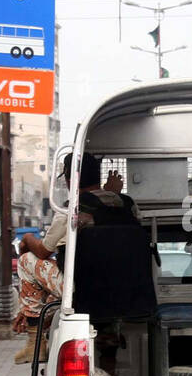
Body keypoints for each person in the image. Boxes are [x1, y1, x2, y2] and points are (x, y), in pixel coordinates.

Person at [12, 153, 139, 362]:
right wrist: (111, 193)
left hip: (81, 287)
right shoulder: (127, 205)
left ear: (70, 180)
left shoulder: (71, 209)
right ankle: (110, 367)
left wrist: (27, 239)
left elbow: (44, 251)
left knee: (27, 262)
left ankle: (35, 343)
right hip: (122, 285)